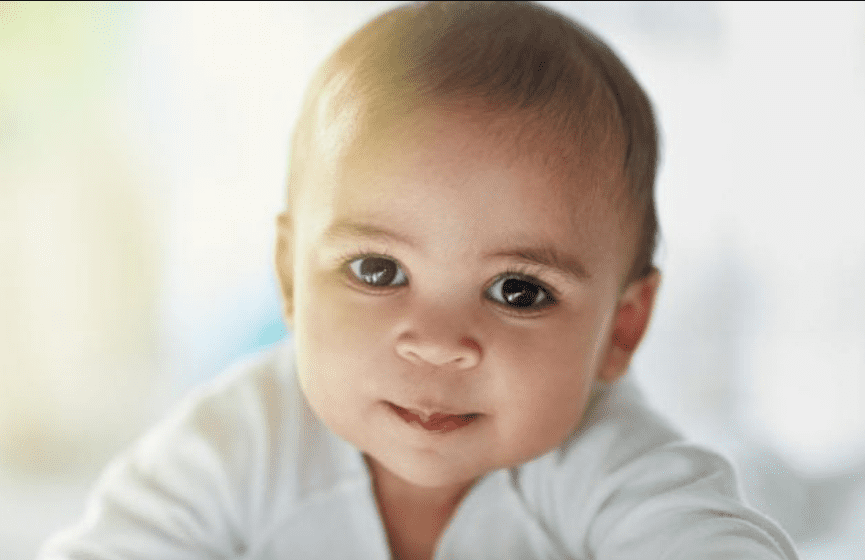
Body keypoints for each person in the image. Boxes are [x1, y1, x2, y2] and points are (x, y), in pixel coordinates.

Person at [39, 2, 799, 559]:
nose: (438, 344)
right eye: (377, 270)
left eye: (518, 290)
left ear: (621, 328)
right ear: (290, 279)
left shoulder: (606, 459)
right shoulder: (241, 443)